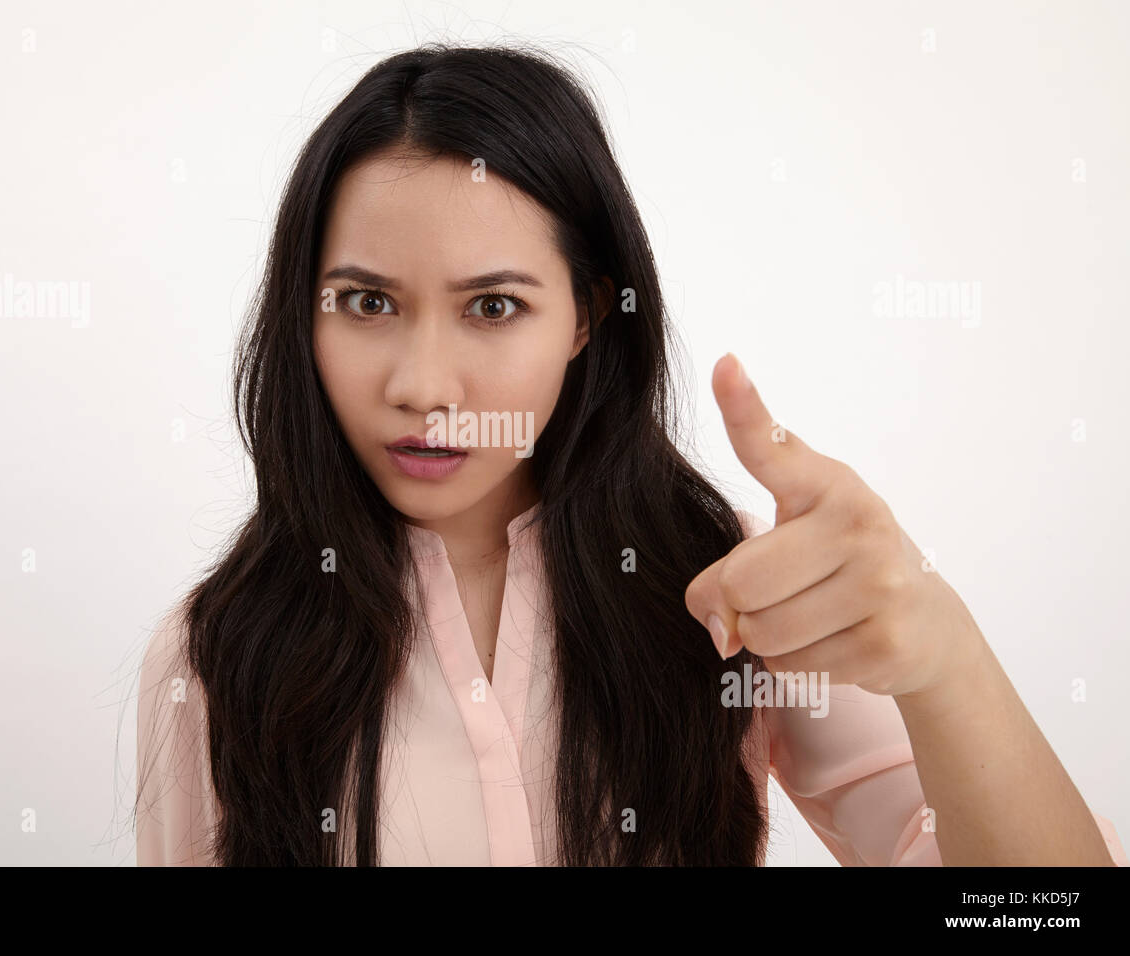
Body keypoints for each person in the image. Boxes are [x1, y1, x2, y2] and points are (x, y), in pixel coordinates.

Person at [134, 42, 1126, 866]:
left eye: (492, 305)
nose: (421, 385)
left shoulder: (739, 592)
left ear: (584, 318)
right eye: (367, 301)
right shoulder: (216, 647)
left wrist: (942, 653)